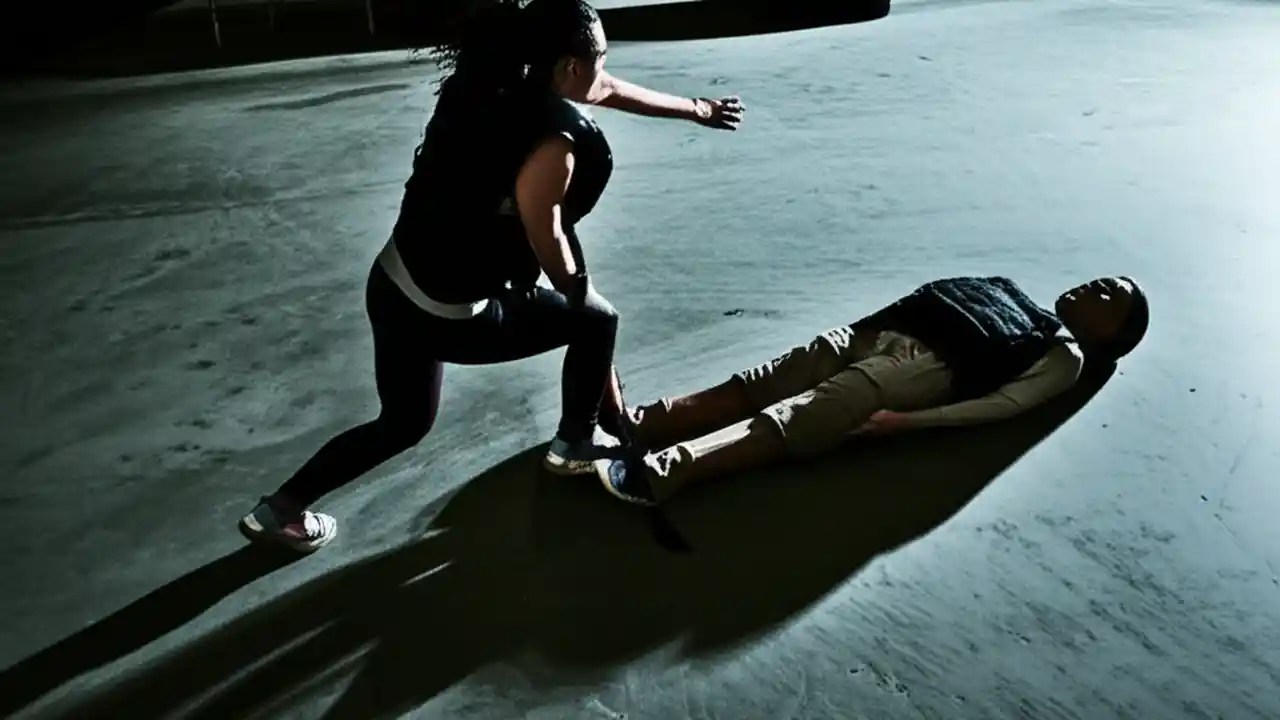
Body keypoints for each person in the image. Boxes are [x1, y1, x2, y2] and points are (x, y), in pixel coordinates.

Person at [238, 0, 746, 553]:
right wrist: (575, 288)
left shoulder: (485, 86)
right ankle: (575, 444)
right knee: (597, 319)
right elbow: (544, 229)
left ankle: (279, 511)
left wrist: (695, 108)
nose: (603, 73)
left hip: (391, 284)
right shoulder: (555, 142)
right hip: (449, 319)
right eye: (598, 60)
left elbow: (606, 91)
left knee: (403, 423)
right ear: (570, 67)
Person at [596, 275, 1150, 505]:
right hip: (873, 334)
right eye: (1103, 281)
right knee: (759, 383)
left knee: (791, 419)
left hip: (915, 372)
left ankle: (660, 474)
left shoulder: (1065, 356)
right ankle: (640, 423)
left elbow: (1001, 406)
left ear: (1109, 334)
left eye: (1110, 297)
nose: (1096, 287)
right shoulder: (1011, 290)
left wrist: (908, 423)